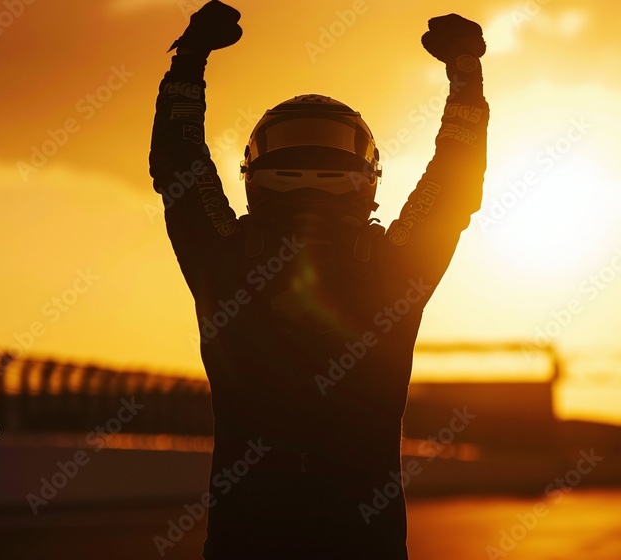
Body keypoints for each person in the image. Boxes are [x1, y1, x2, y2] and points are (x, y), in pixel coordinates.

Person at [148, 2, 488, 557]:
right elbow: (454, 182)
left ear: (254, 171)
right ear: (367, 176)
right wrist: (466, 75)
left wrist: (188, 61)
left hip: (245, 535)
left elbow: (178, 163)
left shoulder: (222, 255)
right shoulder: (393, 264)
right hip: (365, 538)